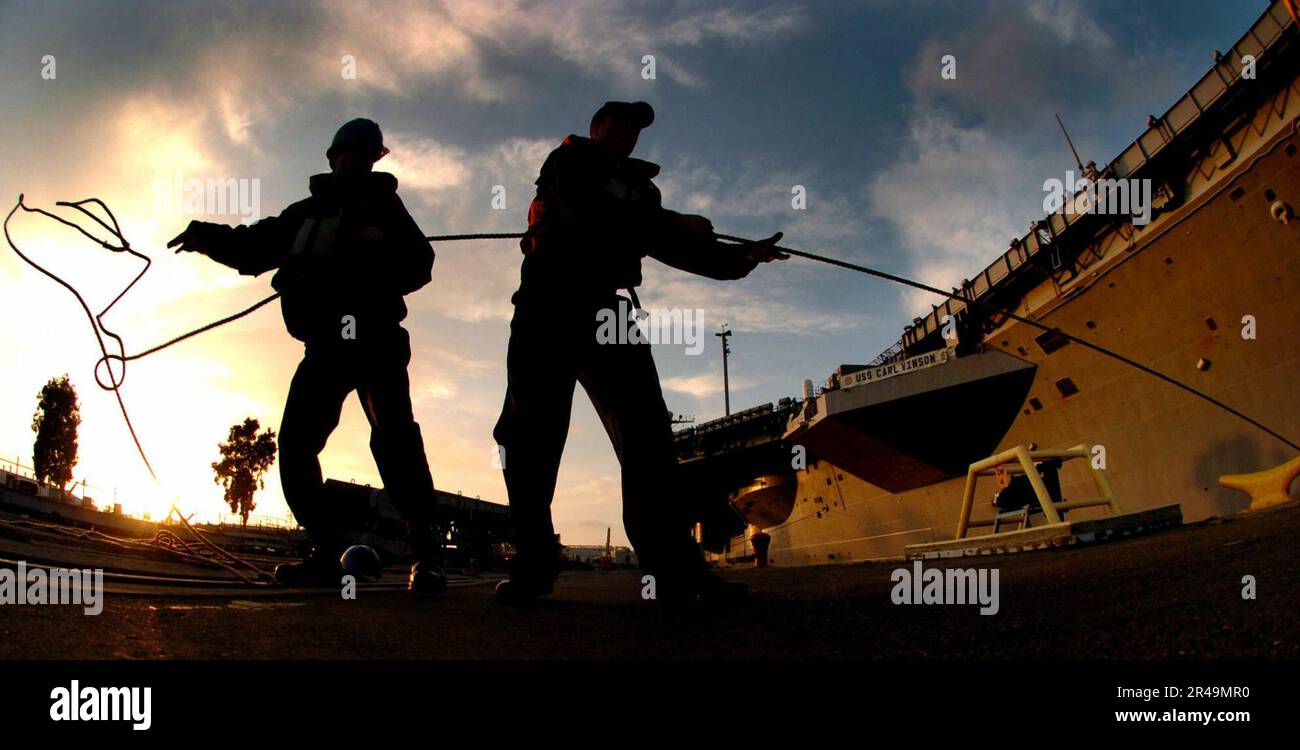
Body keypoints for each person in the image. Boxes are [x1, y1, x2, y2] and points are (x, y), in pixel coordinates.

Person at [492, 101, 786, 606]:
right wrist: (672, 221)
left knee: (647, 435)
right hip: (548, 304)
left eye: (636, 128)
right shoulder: (567, 163)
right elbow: (590, 209)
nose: (629, 134)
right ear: (595, 127)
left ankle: (675, 572)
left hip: (609, 312)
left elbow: (683, 250)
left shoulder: (644, 191)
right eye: (620, 123)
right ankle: (533, 564)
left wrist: (743, 257)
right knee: (531, 435)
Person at [168, 118, 447, 594]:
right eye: (352, 154)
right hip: (326, 347)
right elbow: (255, 246)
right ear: (333, 157)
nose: (359, 161)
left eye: (367, 155)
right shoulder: (304, 213)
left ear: (375, 160)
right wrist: (207, 236)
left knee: (396, 442)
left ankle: (429, 557)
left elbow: (421, 263)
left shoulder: (387, 207)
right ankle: (324, 550)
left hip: (377, 341)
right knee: (296, 444)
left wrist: (378, 249)